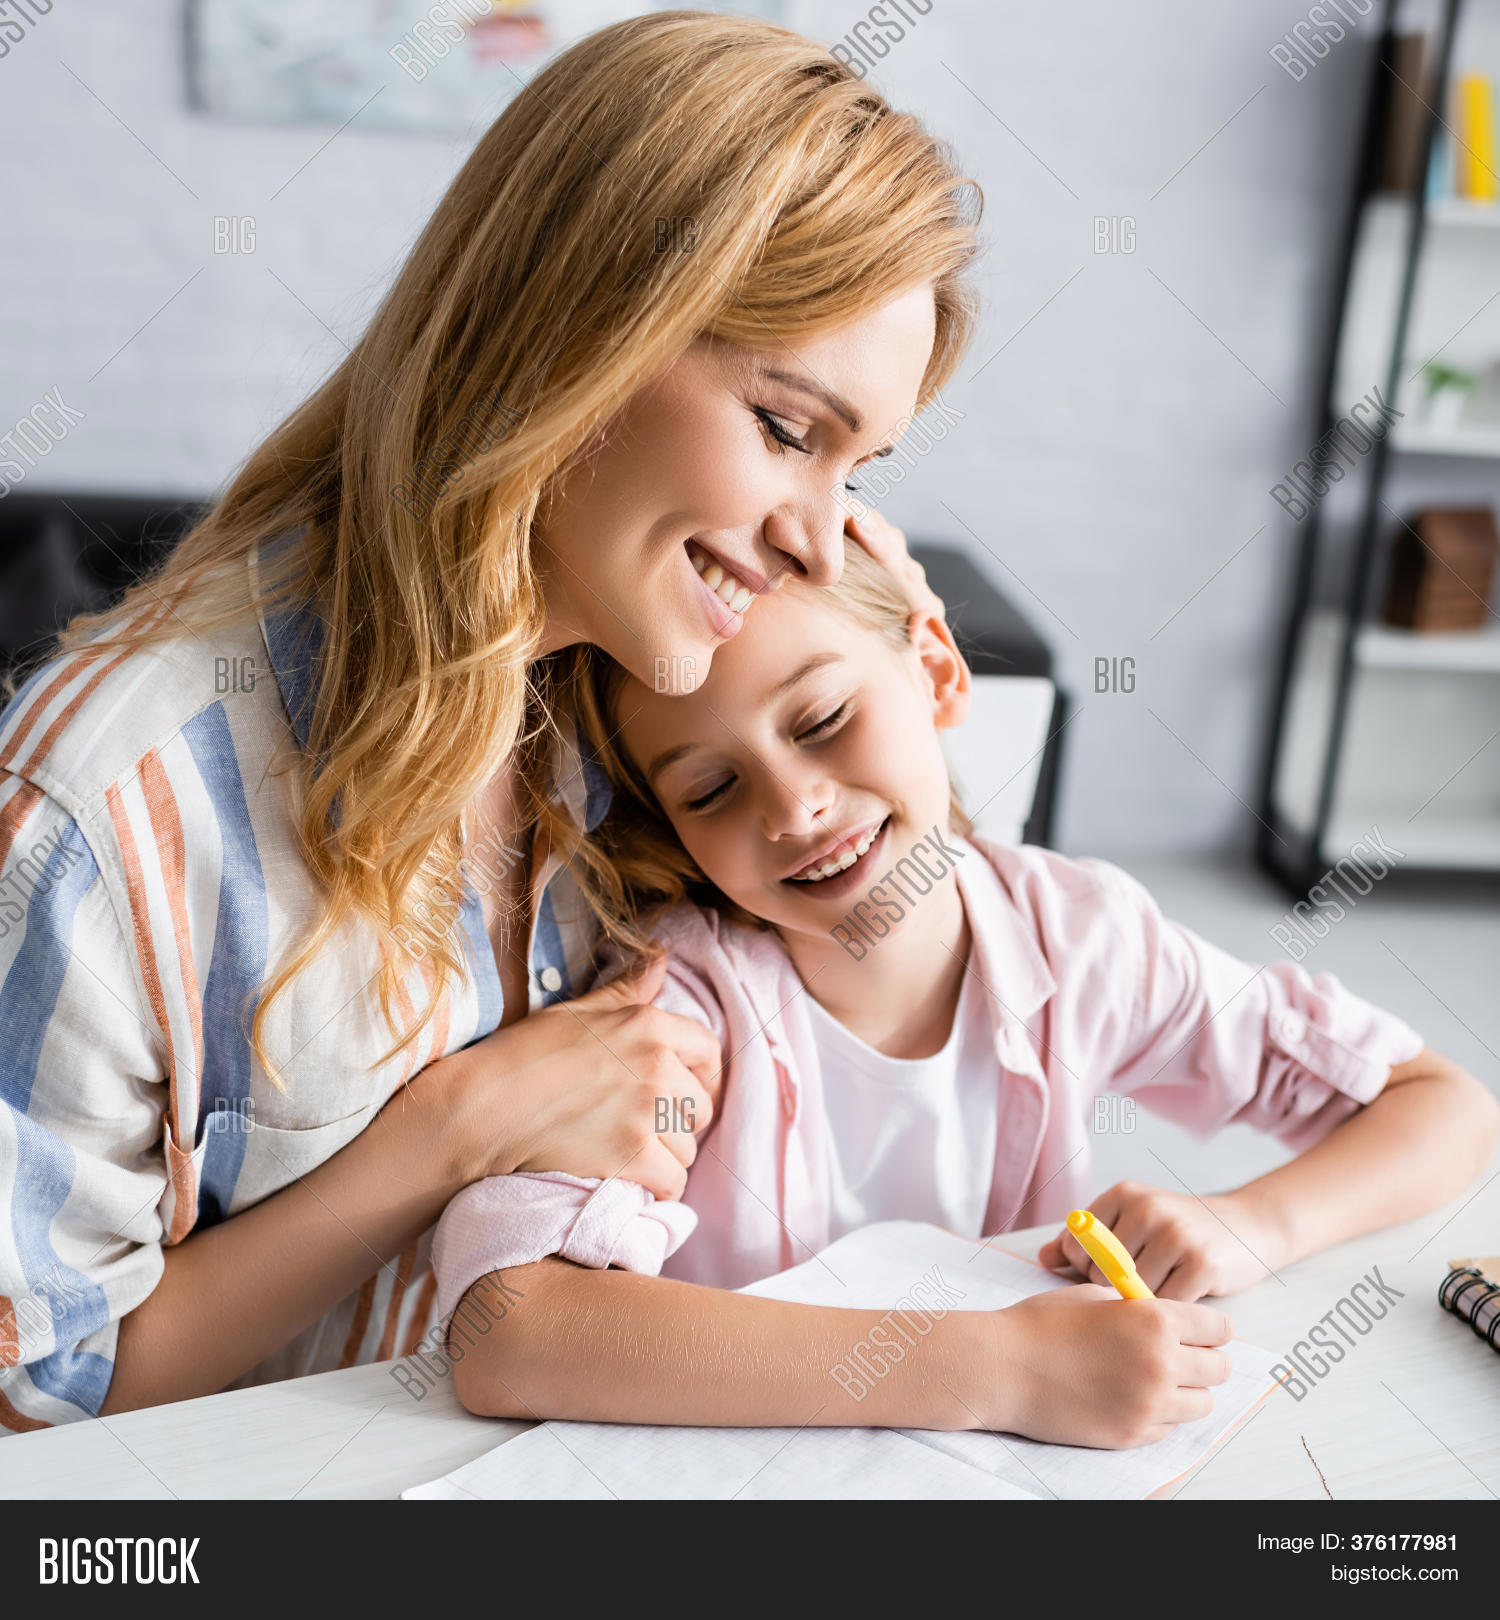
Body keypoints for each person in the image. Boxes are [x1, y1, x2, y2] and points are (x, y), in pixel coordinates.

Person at [0, 13, 979, 1430]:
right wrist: (454, 1133)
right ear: (578, 333)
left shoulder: (644, 693)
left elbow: (908, 946)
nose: (823, 540)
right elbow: (34, 1403)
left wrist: (900, 683)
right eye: (786, 429)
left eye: (859, 468)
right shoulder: (108, 810)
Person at [432, 541, 1500, 1449]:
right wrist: (994, 1371)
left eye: (821, 719)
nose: (794, 810)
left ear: (937, 672)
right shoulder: (682, 1014)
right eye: (710, 788)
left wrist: (1253, 1223)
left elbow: (1443, 1105)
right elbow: (504, 1333)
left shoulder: (1081, 937)